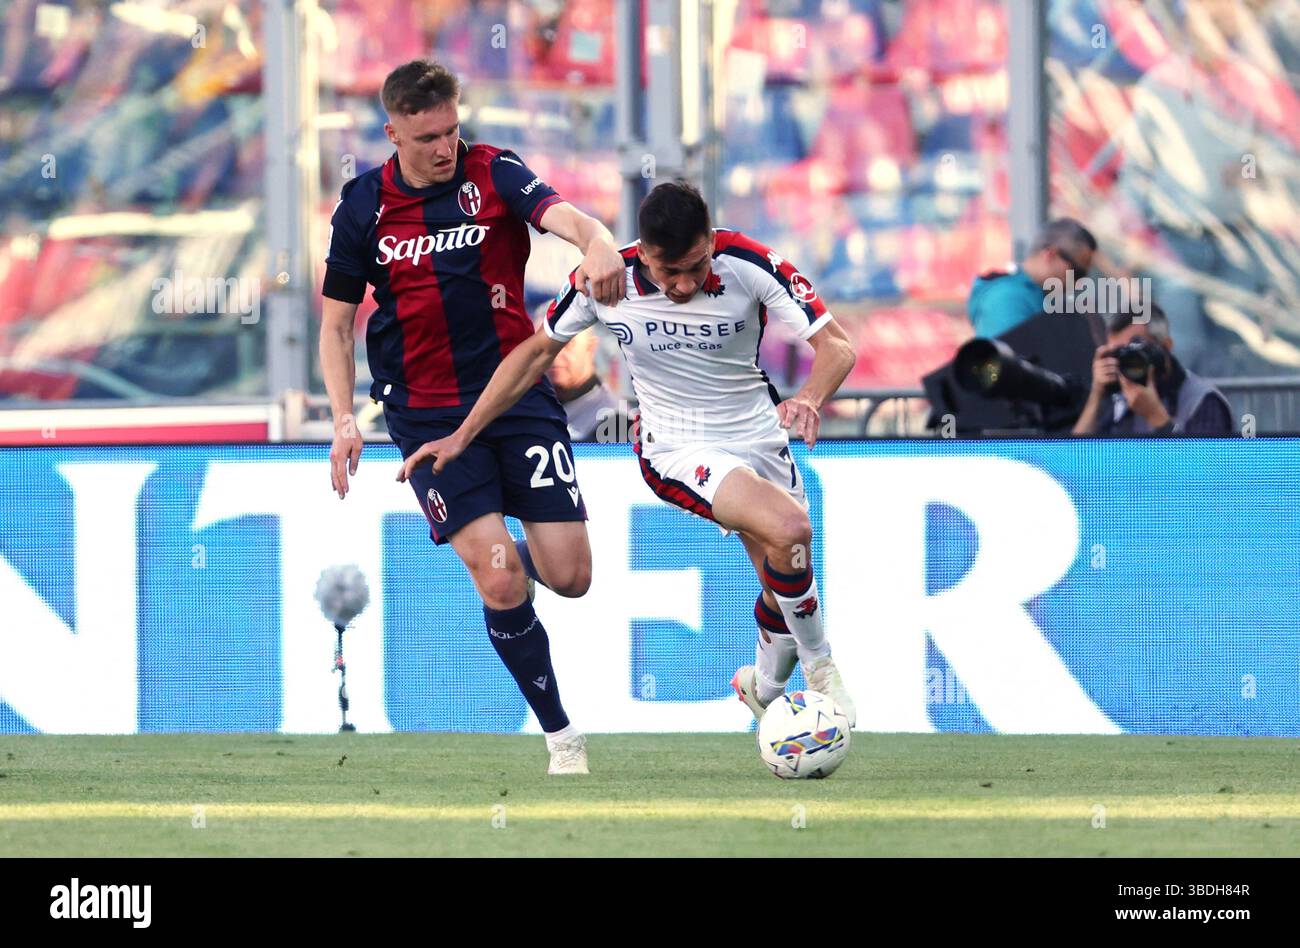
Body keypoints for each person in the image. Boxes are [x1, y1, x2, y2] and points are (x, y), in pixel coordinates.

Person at [399, 181, 861, 726]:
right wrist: (464, 433)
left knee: (783, 577)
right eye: (671, 273)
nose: (686, 284)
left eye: (697, 265)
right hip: (677, 447)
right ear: (643, 254)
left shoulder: (749, 263)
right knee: (790, 529)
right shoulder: (604, 282)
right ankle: (822, 669)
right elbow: (534, 355)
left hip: (759, 440)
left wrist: (810, 396)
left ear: (711, 240)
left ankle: (762, 687)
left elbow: (838, 346)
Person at [319, 60, 626, 775]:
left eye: (452, 130)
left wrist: (598, 240)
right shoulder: (362, 207)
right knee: (498, 580)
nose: (444, 147)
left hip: (518, 398)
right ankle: (562, 740)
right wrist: (342, 419)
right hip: (425, 419)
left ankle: (502, 561)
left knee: (572, 576)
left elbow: (563, 216)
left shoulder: (494, 172)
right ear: (392, 130)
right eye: (427, 136)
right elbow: (336, 327)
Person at [1071, 305, 1232, 435]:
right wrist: (1097, 393)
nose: (1128, 362)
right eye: (1120, 353)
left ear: (1166, 347)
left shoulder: (1201, 400)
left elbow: (1205, 470)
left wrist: (1157, 418)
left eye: (1136, 351)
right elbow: (1076, 459)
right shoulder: (1117, 396)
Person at [967, 219, 1097, 338]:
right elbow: (1010, 360)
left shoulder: (1040, 298)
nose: (1077, 283)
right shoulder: (1009, 297)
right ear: (1050, 254)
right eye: (1077, 273)